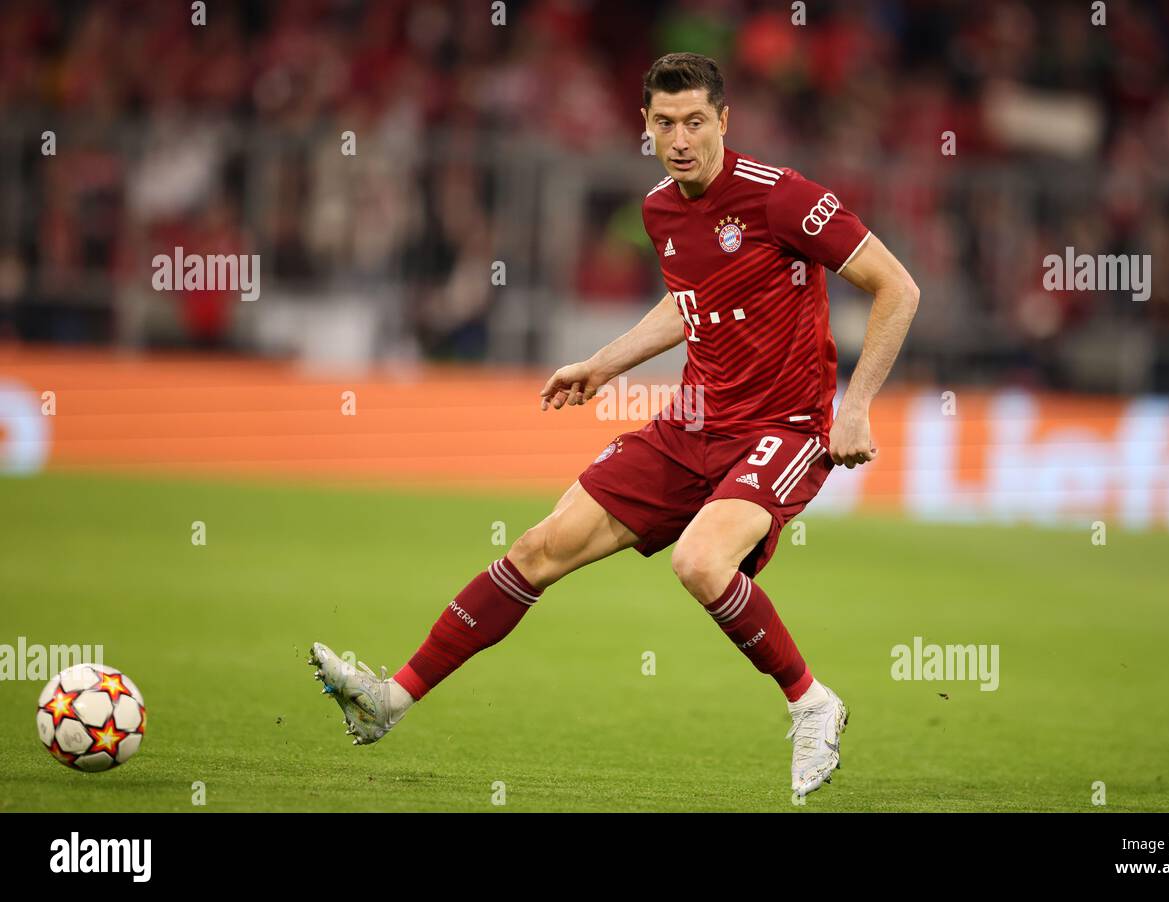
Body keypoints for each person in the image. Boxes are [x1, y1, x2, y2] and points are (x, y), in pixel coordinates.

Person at [310, 52, 920, 797]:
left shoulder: (783, 197)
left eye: (696, 122)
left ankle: (812, 702)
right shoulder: (659, 209)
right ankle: (388, 701)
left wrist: (854, 407)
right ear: (645, 125)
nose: (681, 139)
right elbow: (688, 300)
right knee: (538, 549)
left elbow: (897, 287)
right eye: (665, 123)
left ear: (724, 120)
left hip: (783, 428)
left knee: (700, 563)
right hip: (692, 425)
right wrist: (604, 364)